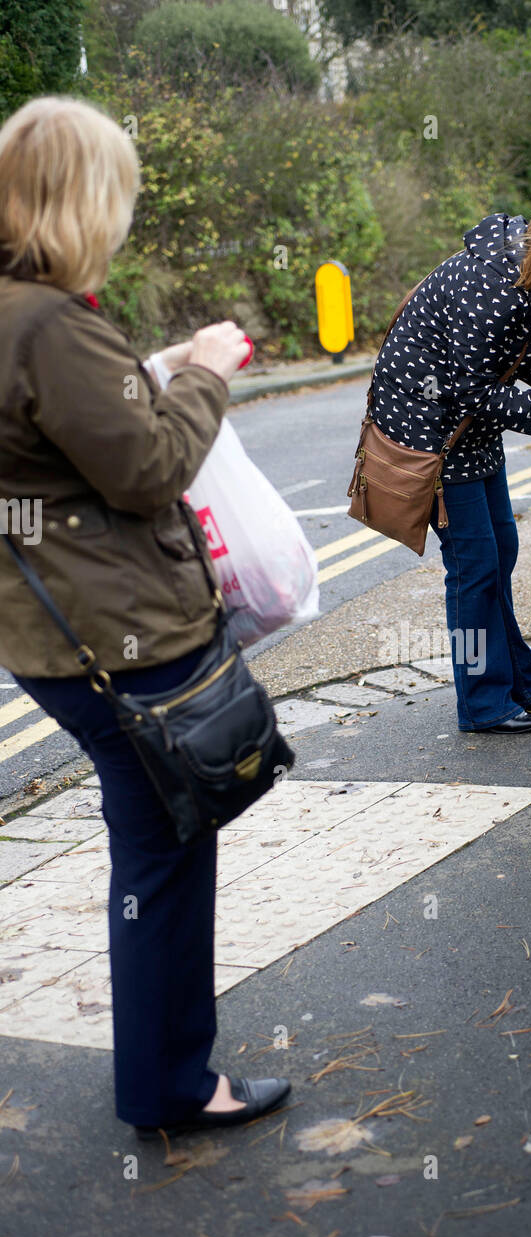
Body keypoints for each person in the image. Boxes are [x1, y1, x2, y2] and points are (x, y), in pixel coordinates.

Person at [0, 96, 292, 1138]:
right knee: (169, 849)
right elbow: (149, 467)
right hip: (120, 637)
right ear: (83, 199)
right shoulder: (47, 322)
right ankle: (175, 1086)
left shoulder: (15, 314)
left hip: (50, 638)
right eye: (116, 193)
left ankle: (161, 1076)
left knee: (153, 844)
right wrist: (206, 373)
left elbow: (72, 442)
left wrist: (148, 374)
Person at [370, 193, 531, 733]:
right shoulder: (492, 288)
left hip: (467, 430)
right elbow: (467, 388)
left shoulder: (524, 271)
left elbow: (513, 353)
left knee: (500, 551)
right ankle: (483, 703)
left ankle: (520, 684)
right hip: (429, 432)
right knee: (474, 566)